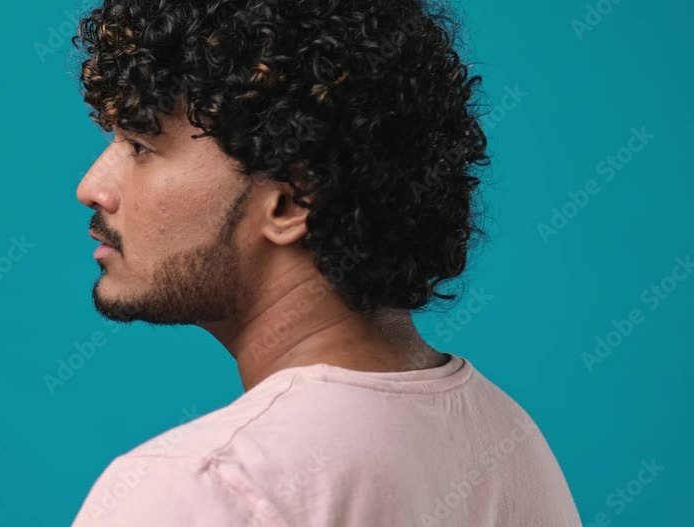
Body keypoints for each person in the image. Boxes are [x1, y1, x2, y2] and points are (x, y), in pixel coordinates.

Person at [70, 0, 581, 525]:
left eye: (141, 145)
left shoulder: (200, 488)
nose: (92, 187)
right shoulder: (509, 440)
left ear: (290, 202)